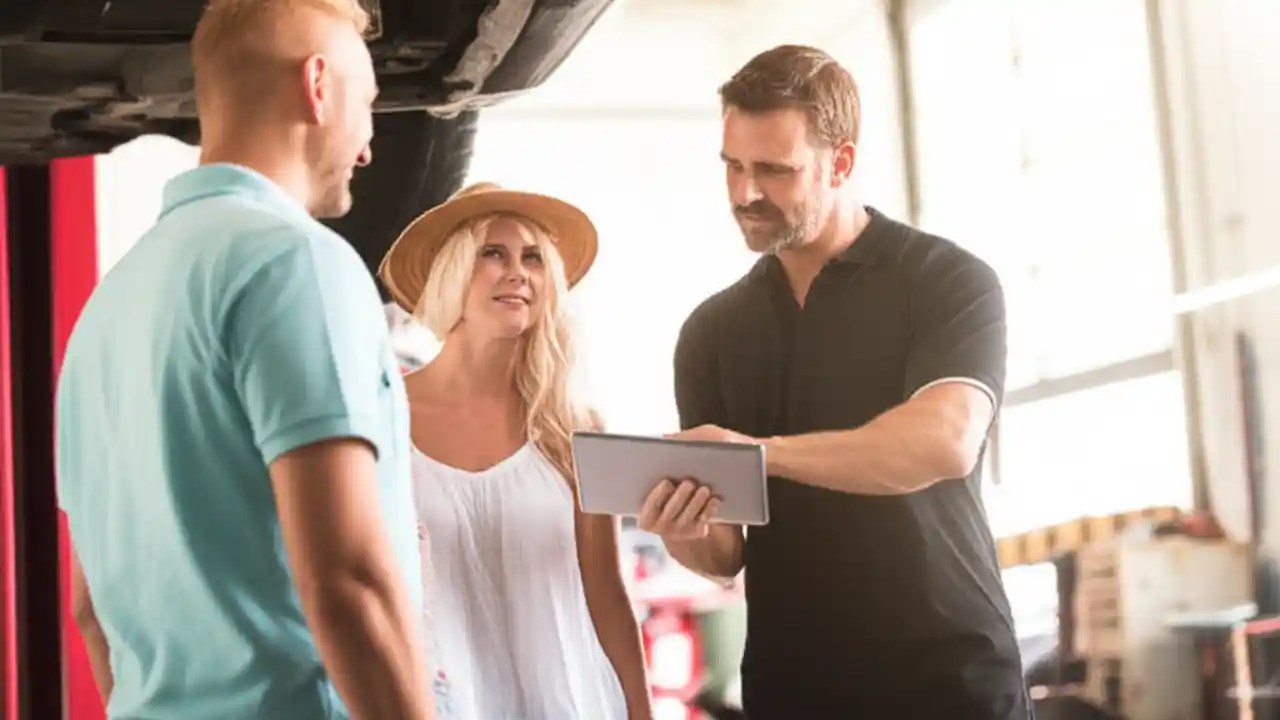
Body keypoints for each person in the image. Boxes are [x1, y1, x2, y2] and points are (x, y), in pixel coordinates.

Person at [54, 1, 433, 718]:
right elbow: (348, 579)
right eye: (369, 106)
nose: (369, 147)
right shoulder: (295, 263)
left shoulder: (107, 307)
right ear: (318, 85)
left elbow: (88, 608)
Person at [640, 45, 1031, 718]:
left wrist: (758, 455)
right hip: (795, 691)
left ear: (841, 162)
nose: (745, 193)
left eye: (774, 170)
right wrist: (679, 526)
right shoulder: (711, 333)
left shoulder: (946, 282)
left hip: (947, 684)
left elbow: (943, 441)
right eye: (733, 166)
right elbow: (725, 554)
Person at [378, 182, 652, 719]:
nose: (517, 272)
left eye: (533, 258)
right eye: (492, 254)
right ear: (454, 271)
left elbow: (607, 595)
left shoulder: (572, 430)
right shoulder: (386, 418)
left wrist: (642, 713)